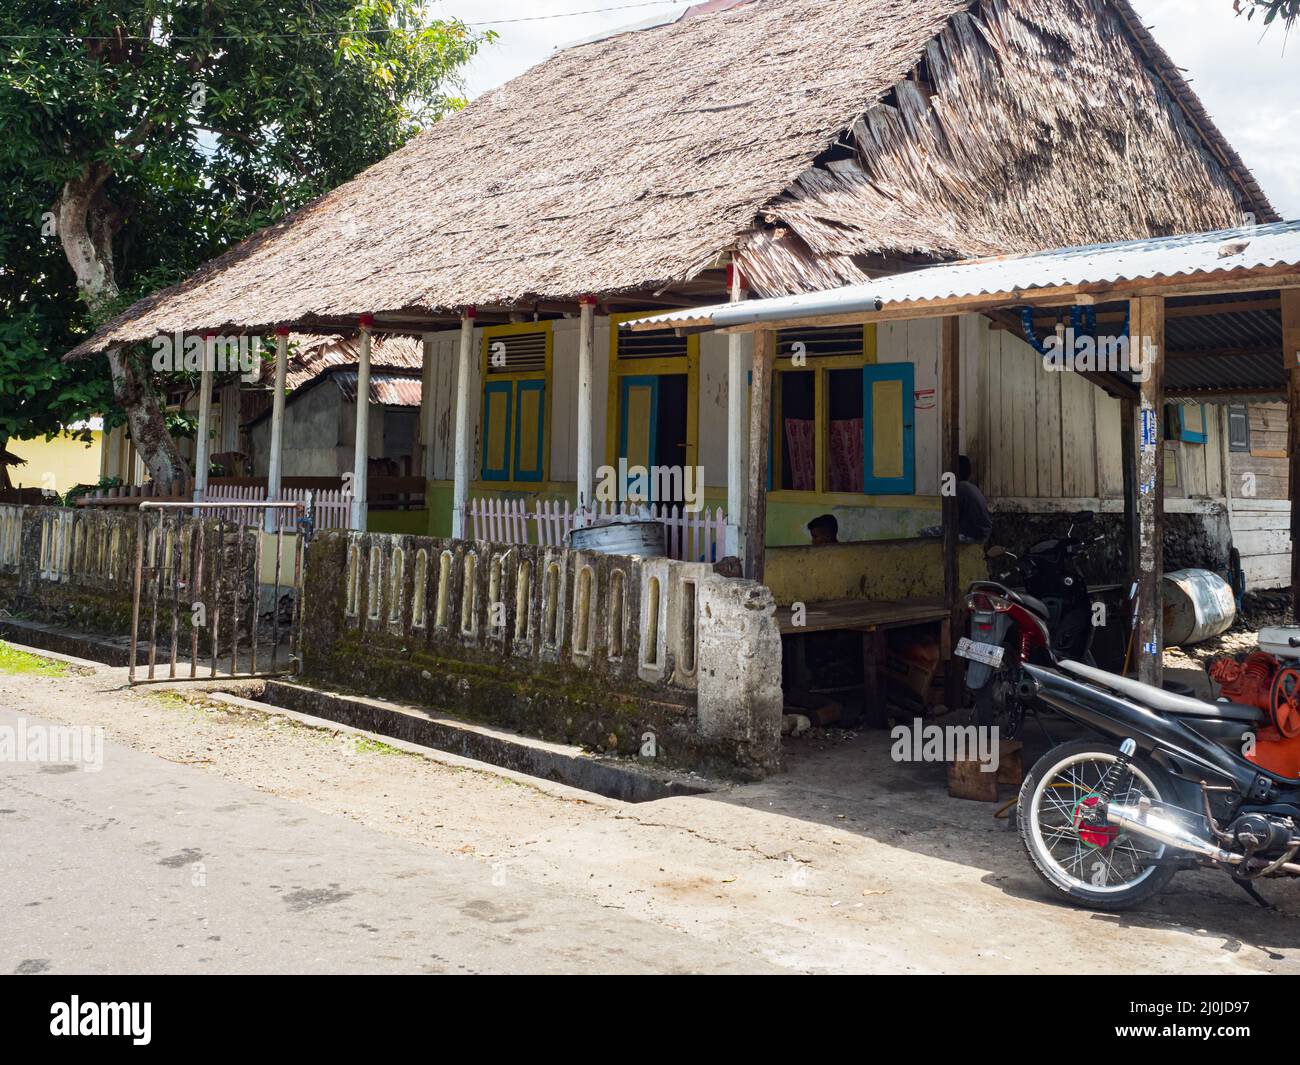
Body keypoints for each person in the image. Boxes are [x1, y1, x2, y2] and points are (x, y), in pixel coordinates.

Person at [956, 455, 992, 544]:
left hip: (972, 534)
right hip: (982, 533)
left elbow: (954, 517)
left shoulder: (960, 488)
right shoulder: (972, 487)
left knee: (924, 534)